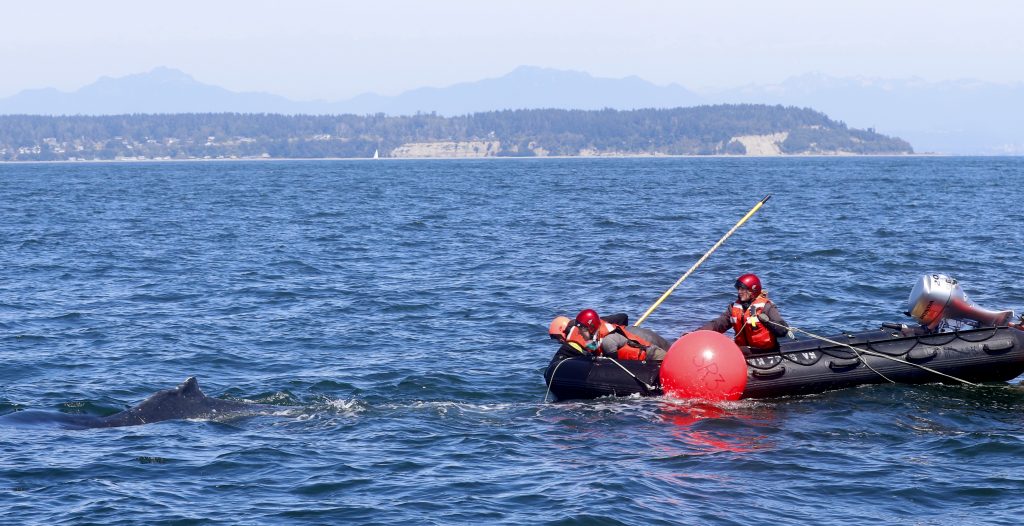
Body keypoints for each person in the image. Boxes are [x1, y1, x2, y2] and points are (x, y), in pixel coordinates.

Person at [699, 273, 791, 352]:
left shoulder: (766, 307)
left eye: (743, 289)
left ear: (753, 290)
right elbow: (718, 324)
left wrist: (767, 322)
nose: (739, 292)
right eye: (738, 289)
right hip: (744, 350)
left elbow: (782, 330)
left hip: (764, 350)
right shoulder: (734, 308)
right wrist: (697, 333)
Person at [550, 309, 669, 361]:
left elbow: (616, 366)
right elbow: (594, 347)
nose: (579, 332)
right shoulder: (598, 333)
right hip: (639, 336)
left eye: (582, 329)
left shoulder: (608, 341)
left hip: (652, 354)